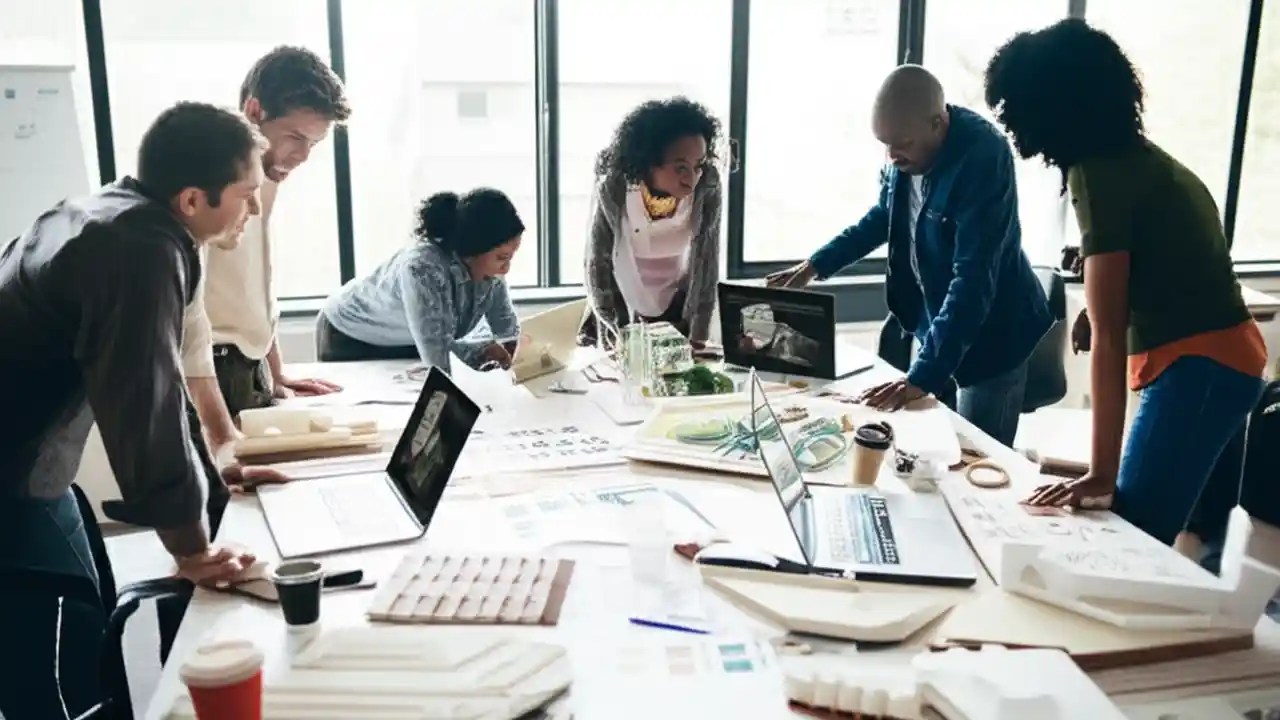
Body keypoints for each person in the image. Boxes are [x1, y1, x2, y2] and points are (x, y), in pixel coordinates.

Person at [0, 102, 263, 718]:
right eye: (247, 195)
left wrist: (210, 475)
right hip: (10, 480)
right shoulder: (142, 251)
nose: (253, 210)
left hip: (37, 470)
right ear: (194, 199)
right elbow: (145, 405)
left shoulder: (108, 214)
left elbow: (163, 384)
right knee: (52, 679)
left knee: (92, 622)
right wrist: (192, 548)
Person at [991, 20, 1268, 549]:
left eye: (1014, 109)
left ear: (1050, 108)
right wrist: (1097, 301)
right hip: (1223, 360)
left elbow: (1109, 339)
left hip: (1201, 368)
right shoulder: (1140, 162)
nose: (1011, 124)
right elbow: (1161, 259)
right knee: (1191, 534)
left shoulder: (1096, 175)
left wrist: (1100, 473)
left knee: (1132, 535)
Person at [767, 65, 1053, 447]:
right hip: (935, 321)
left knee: (979, 461)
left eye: (900, 144)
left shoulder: (984, 156)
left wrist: (921, 376)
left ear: (938, 123)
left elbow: (973, 278)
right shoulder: (906, 153)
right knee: (926, 448)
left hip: (992, 336)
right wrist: (815, 265)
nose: (891, 155)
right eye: (884, 144)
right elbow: (883, 217)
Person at [183, 45, 352, 461]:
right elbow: (186, 313)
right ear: (255, 110)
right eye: (295, 137)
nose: (302, 156)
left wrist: (274, 372)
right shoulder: (210, 178)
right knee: (232, 506)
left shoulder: (268, 173)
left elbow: (257, 280)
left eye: (314, 143)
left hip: (248, 366)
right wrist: (217, 430)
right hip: (214, 369)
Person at [318, 188, 525, 372]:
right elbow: (437, 354)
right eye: (502, 258)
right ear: (474, 249)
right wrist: (479, 350)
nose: (506, 269)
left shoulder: (488, 271)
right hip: (349, 333)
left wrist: (514, 358)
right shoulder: (422, 268)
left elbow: (507, 330)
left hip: (405, 336)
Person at [582, 97, 724, 348]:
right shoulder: (615, 187)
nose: (691, 179)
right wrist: (612, 331)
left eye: (698, 165)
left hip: (676, 304)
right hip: (620, 301)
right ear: (648, 162)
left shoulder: (707, 186)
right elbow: (597, 261)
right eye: (680, 167)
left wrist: (698, 334)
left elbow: (707, 261)